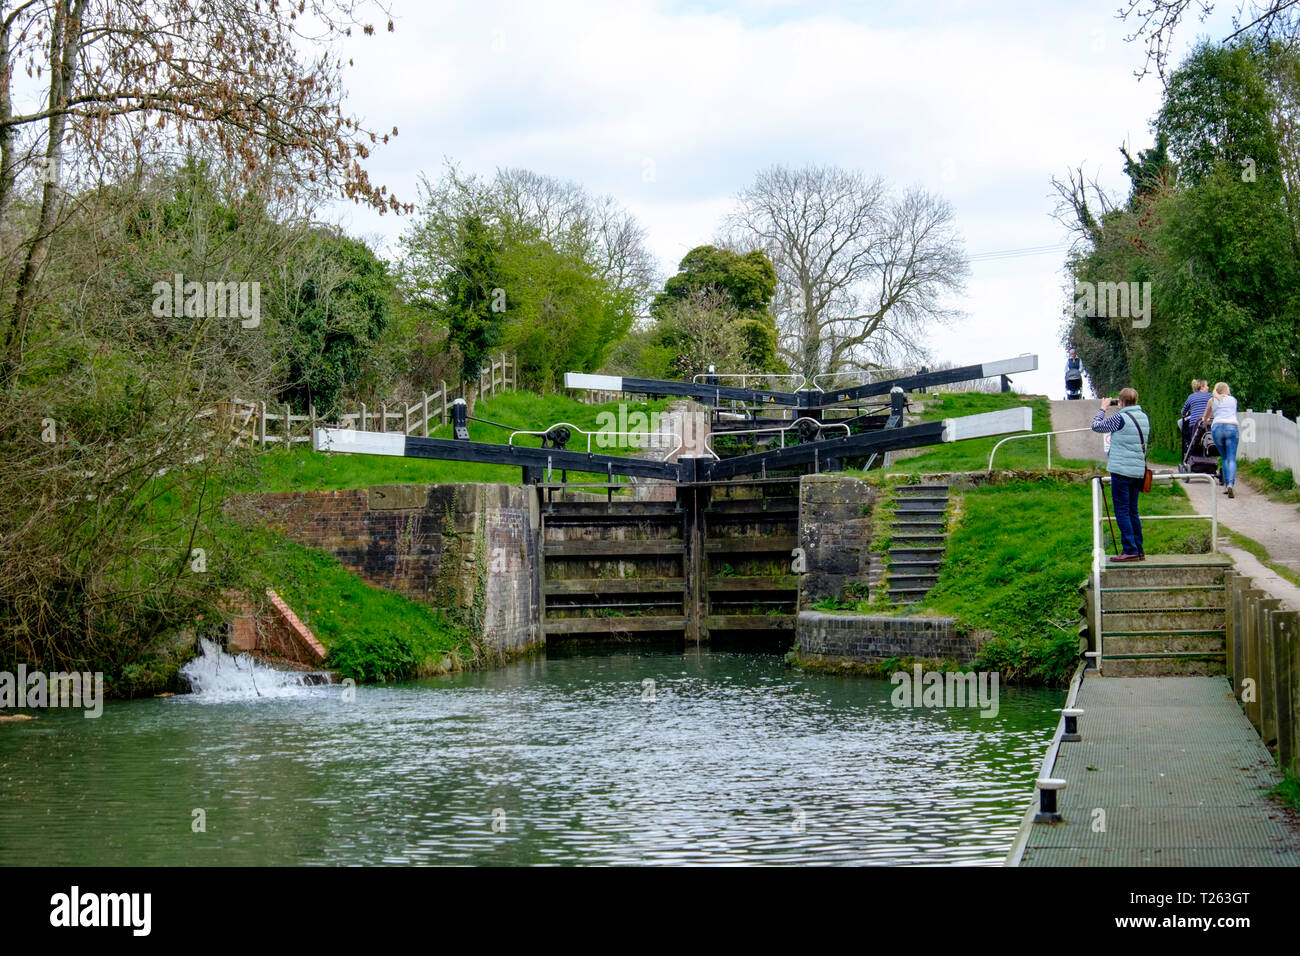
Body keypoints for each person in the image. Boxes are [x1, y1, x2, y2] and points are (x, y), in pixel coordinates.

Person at [1091, 386, 1151, 561]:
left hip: (1121, 470)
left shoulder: (1120, 418)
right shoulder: (1144, 417)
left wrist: (1103, 409)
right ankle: (1138, 548)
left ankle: (1130, 549)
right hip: (1138, 471)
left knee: (1122, 511)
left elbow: (1096, 426)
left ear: (1122, 401)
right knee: (1133, 511)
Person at [1201, 382, 1239, 498]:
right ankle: (1230, 484)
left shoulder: (1212, 400)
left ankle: (1227, 484)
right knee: (1231, 458)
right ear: (1227, 390)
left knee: (1224, 457)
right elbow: (1232, 413)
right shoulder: (1233, 400)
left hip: (1217, 428)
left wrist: (1205, 420)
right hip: (1231, 427)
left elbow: (1205, 417)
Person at [1179, 379, 1210, 459]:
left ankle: (1195, 462)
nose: (1208, 387)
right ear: (1202, 387)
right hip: (1207, 424)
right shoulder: (1210, 396)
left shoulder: (1191, 396)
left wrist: (1186, 413)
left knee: (1194, 443)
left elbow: (1183, 411)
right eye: (1206, 385)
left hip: (1194, 424)